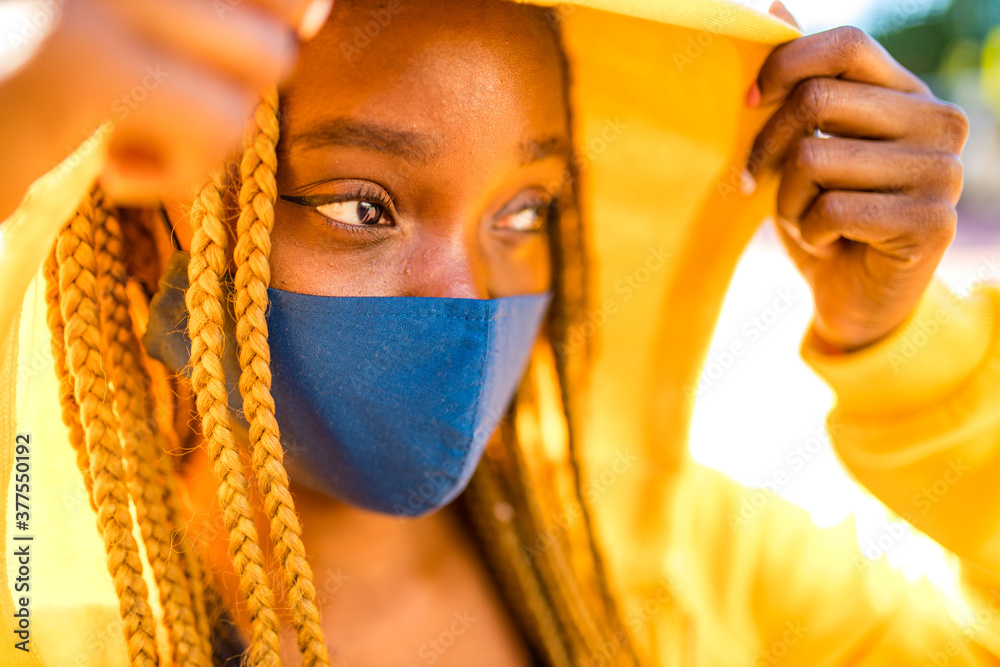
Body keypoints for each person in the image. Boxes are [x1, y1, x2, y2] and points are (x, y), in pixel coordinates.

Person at [1, 0, 998, 665]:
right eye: (361, 207)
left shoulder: (675, 561)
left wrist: (902, 349)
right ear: (148, 216)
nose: (465, 291)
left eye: (525, 214)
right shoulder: (38, 606)